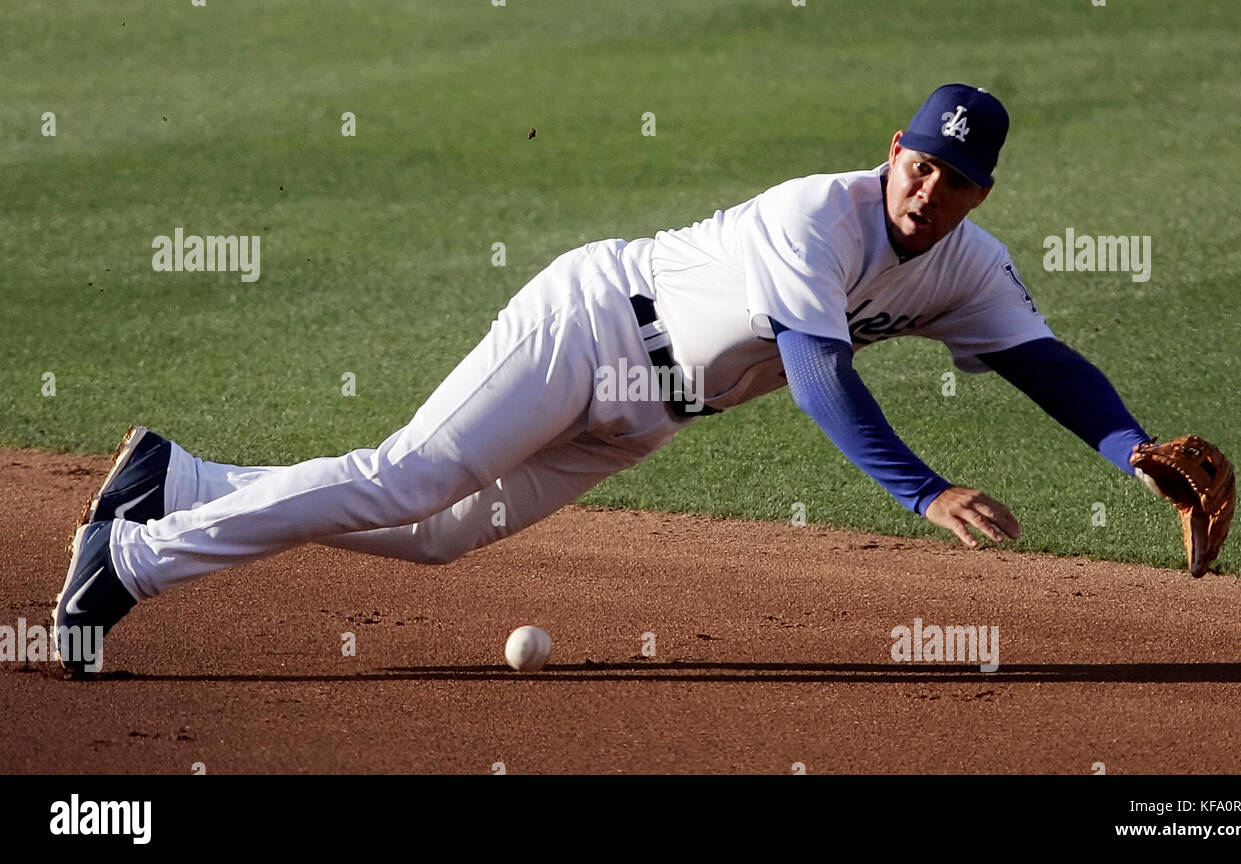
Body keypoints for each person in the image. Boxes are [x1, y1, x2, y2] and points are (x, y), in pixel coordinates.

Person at [54, 83, 1155, 671]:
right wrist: (921, 490)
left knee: (437, 536)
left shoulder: (967, 268)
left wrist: (1133, 452)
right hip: (587, 327)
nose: (927, 187)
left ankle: (178, 479)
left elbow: (1042, 364)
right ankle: (132, 559)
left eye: (953, 179)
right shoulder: (819, 214)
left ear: (978, 195)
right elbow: (818, 374)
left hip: (652, 412)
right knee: (406, 479)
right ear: (893, 149)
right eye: (919, 163)